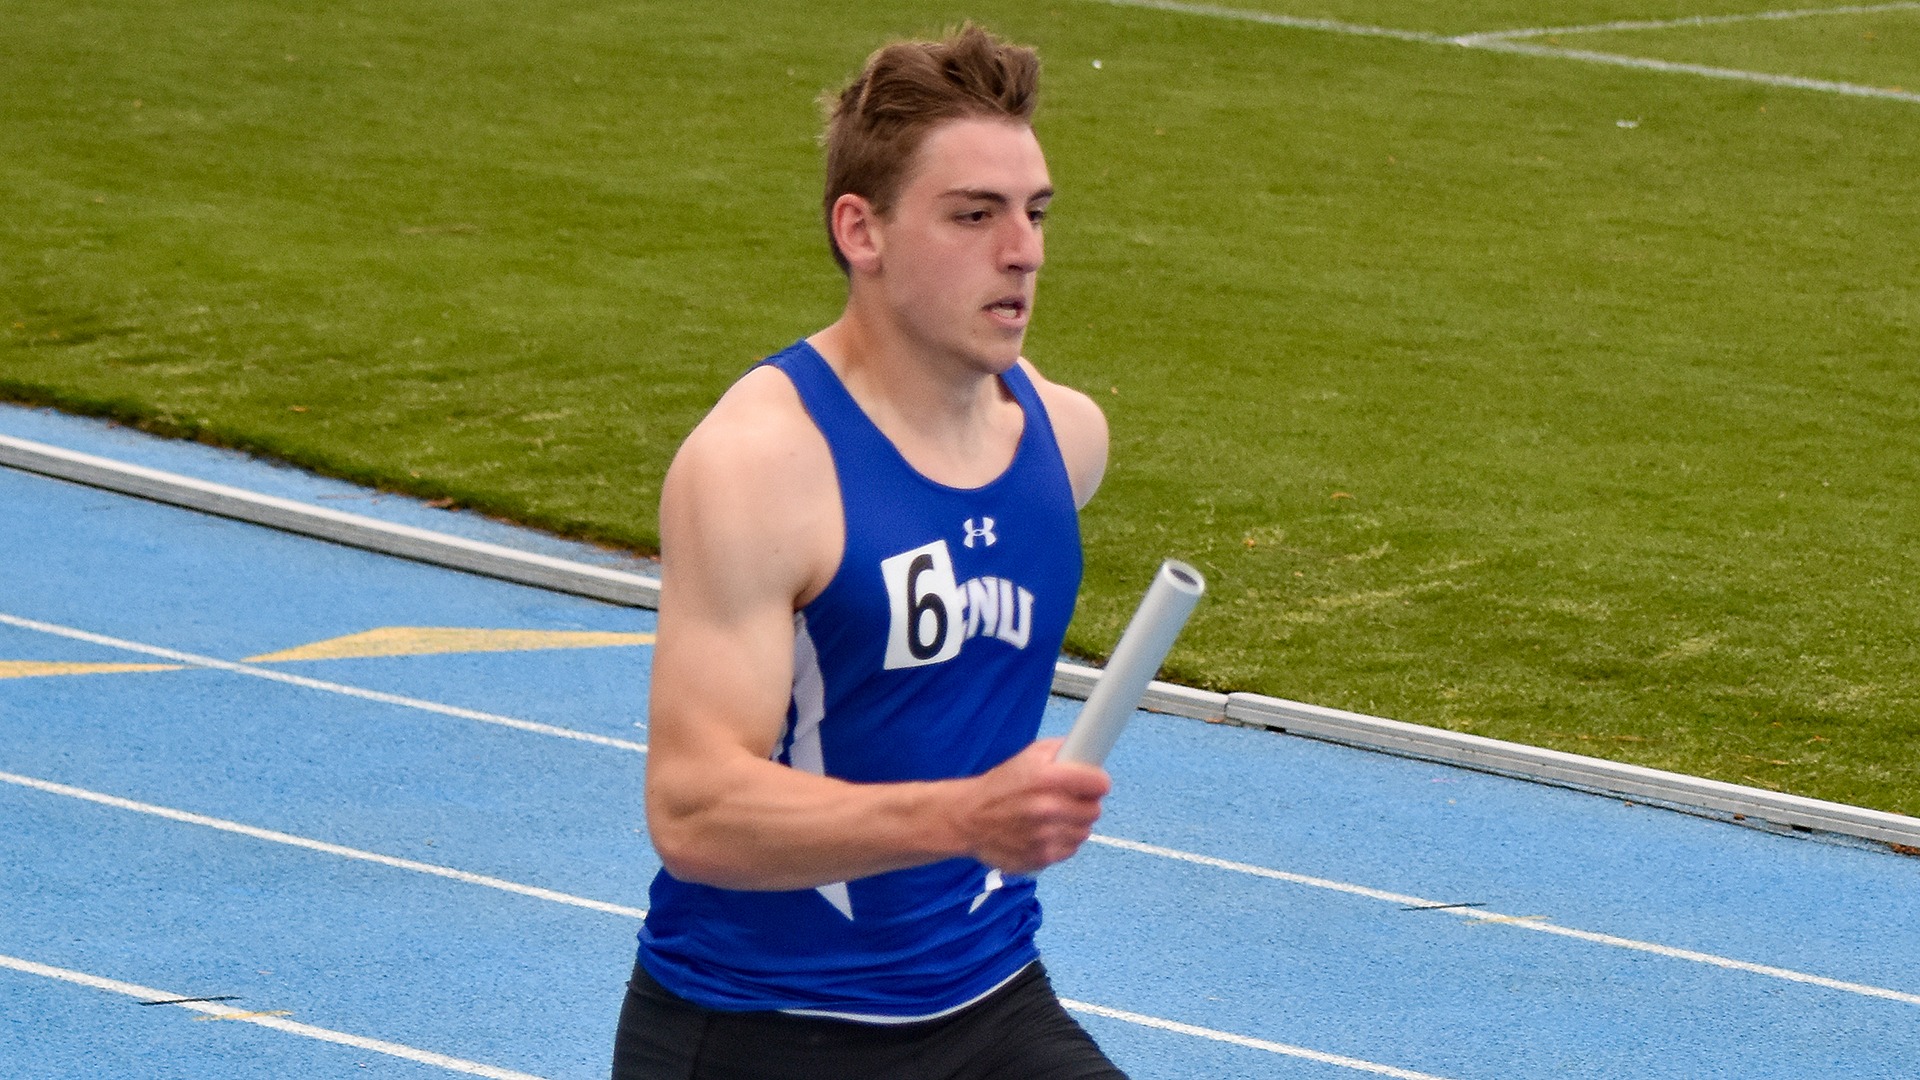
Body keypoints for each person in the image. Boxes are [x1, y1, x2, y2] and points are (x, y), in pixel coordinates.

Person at [612, 25, 1125, 1080]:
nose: (1021, 249)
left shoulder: (1065, 442)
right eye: (972, 215)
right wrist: (966, 818)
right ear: (863, 230)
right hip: (763, 1036)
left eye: (1033, 213)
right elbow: (695, 808)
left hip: (990, 1010)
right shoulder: (759, 468)